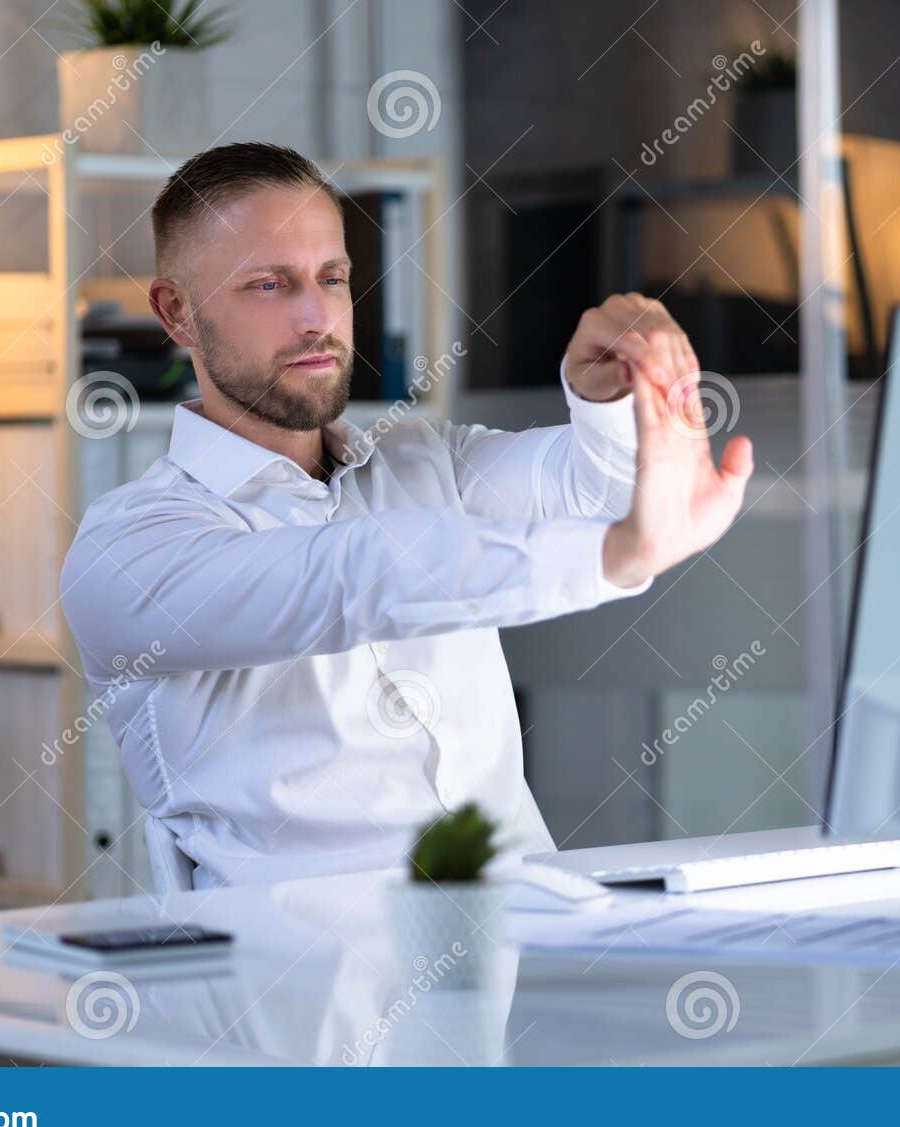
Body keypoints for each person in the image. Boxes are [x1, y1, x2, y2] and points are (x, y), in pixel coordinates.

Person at [61, 142, 753, 888]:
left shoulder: (425, 460)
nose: (315, 318)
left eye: (333, 278)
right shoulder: (130, 549)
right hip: (304, 978)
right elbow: (350, 575)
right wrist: (617, 555)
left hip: (530, 940)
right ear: (177, 313)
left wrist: (612, 397)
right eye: (269, 285)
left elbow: (591, 492)